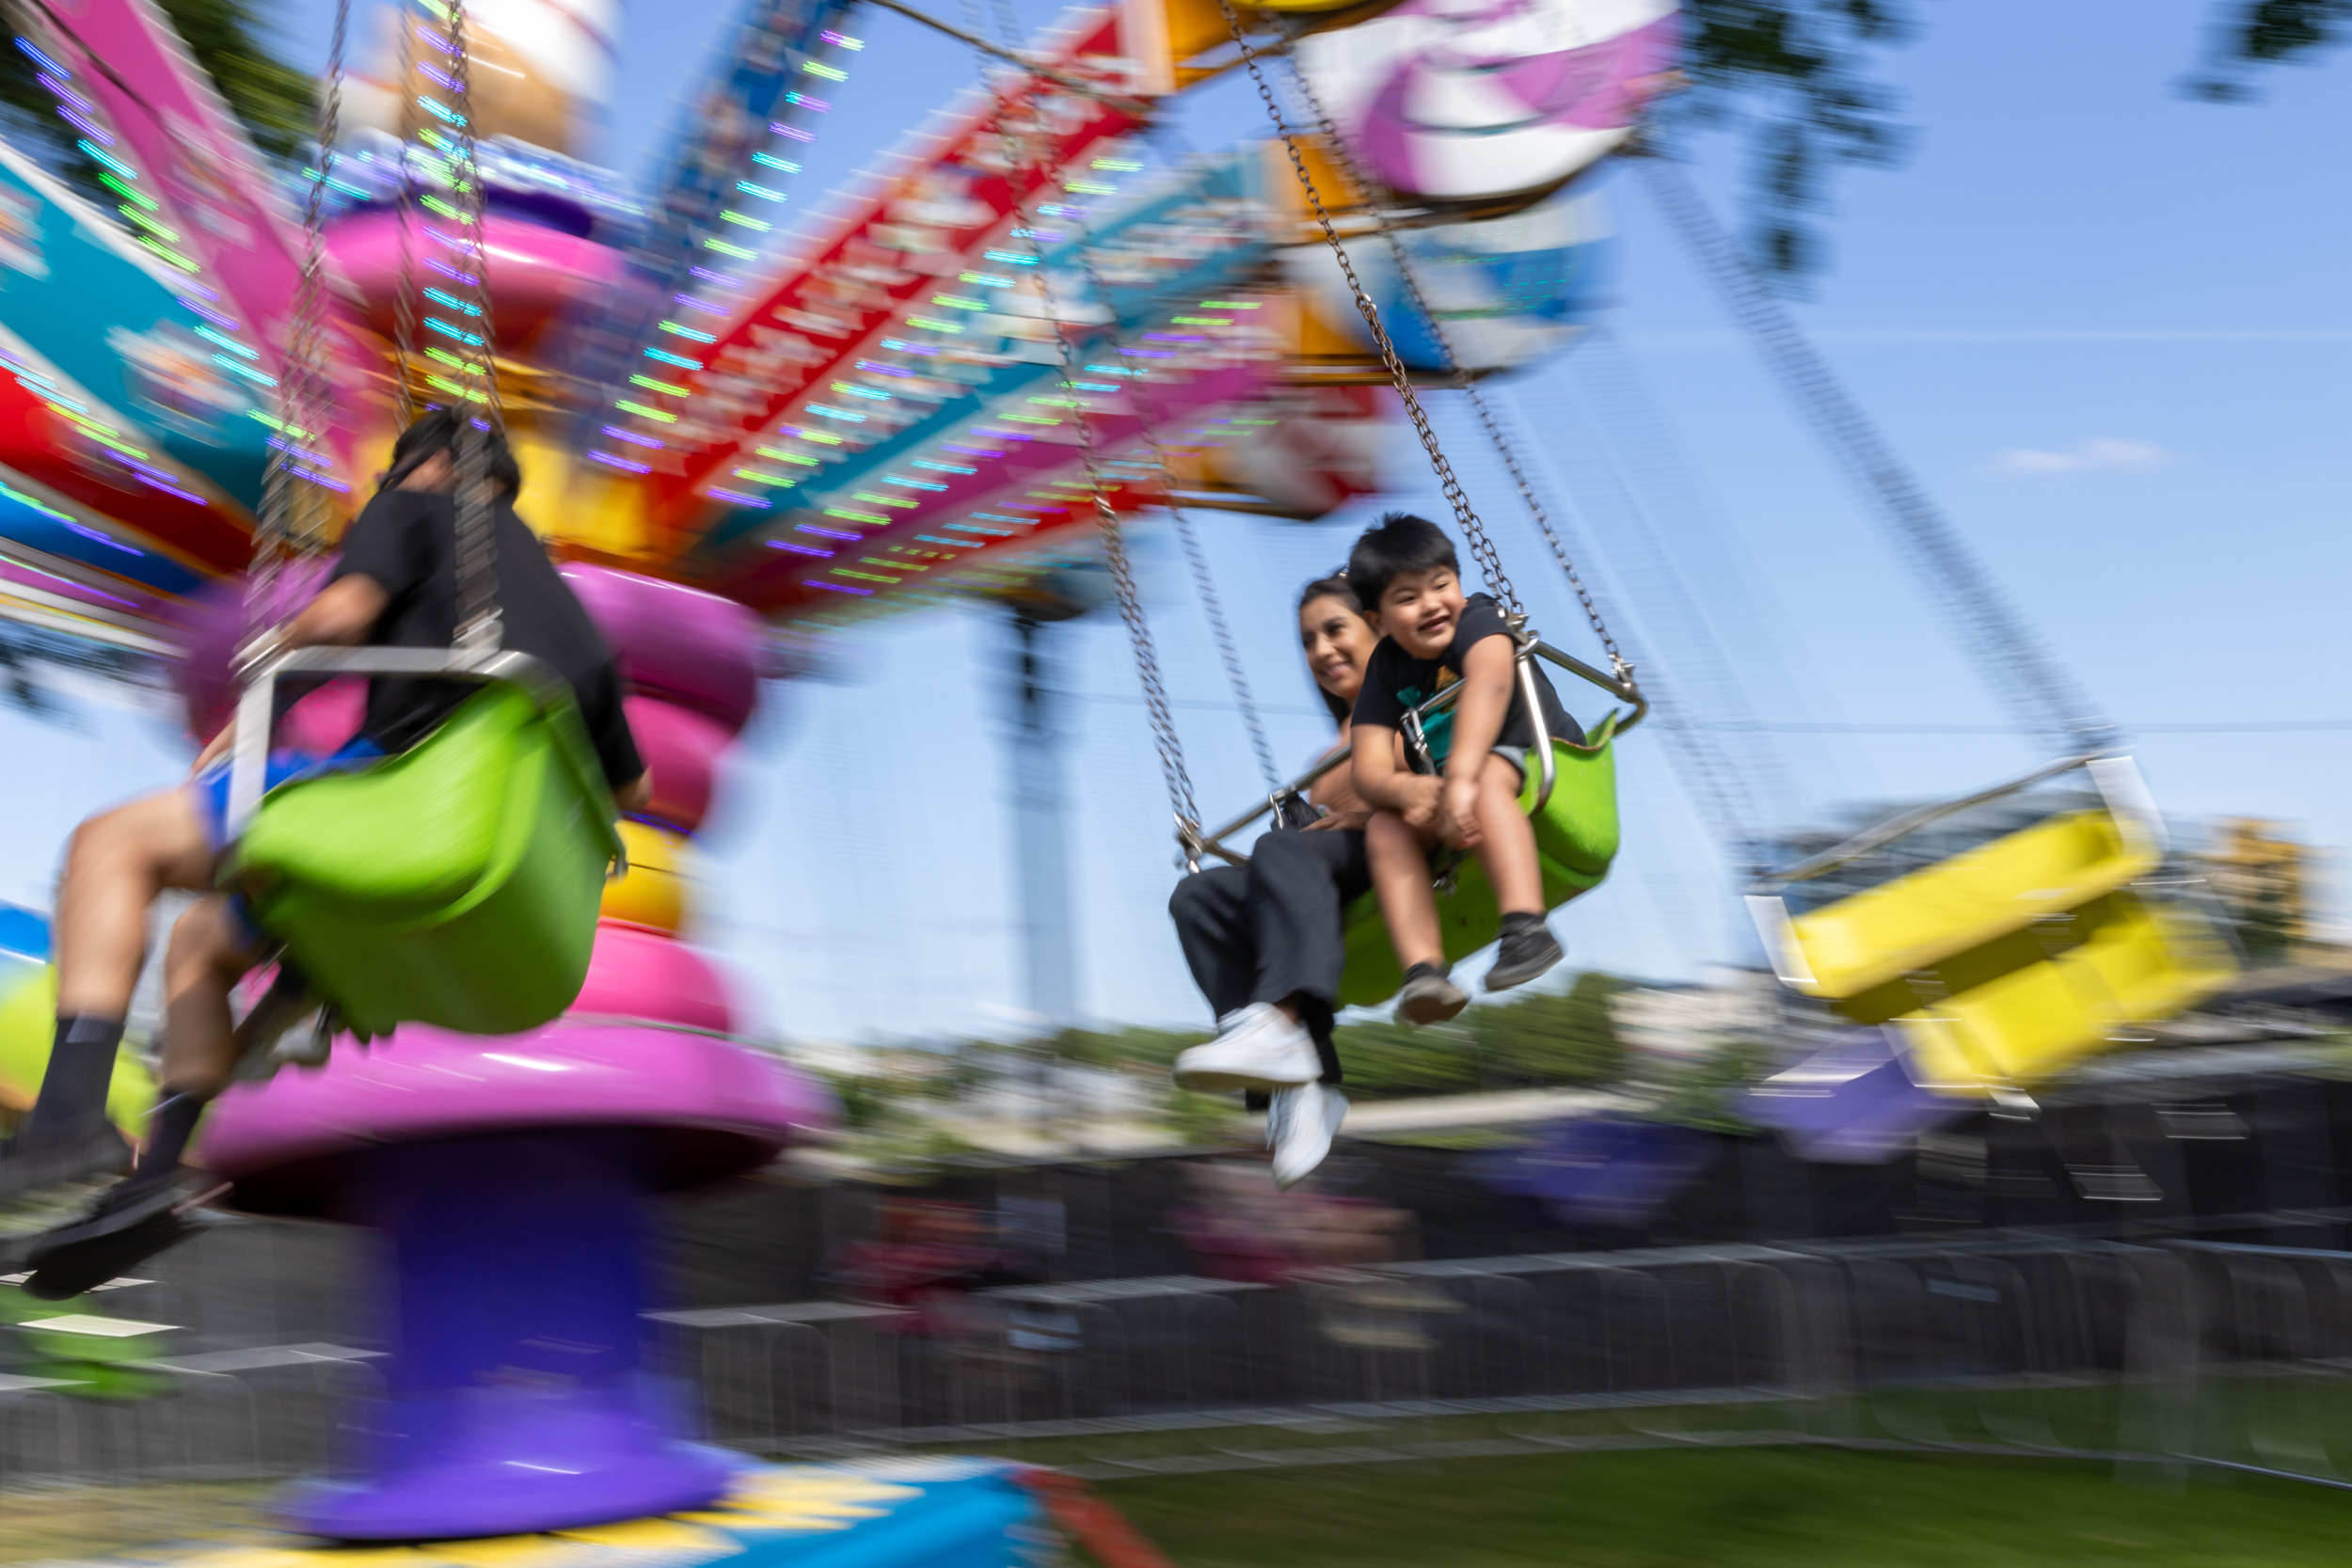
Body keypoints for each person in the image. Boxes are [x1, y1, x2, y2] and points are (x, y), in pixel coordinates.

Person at [0, 407, 649, 1290]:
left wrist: (266, 678)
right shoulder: (579, 621)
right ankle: (159, 1175)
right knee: (199, 944)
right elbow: (630, 792)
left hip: (390, 814)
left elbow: (344, 615)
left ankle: (68, 1117)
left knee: (109, 842)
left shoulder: (415, 505)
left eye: (390, 474)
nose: (385, 487)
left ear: (425, 468)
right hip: (489, 887)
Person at [1165, 575, 1383, 1188]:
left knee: (1278, 846)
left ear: (1377, 626)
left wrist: (1365, 814)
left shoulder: (1414, 705)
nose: (1321, 650)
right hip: (1336, 873)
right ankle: (1303, 1087)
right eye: (1309, 640)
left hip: (1401, 855)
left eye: (1335, 630)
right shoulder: (1328, 755)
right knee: (1198, 896)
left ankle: (1280, 1029)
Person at [1345, 513, 1579, 1026]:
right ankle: (1424, 971)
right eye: (1407, 597)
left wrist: (1459, 782)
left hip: (1531, 752)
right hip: (1455, 783)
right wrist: (1404, 790)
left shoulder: (1478, 616)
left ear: (1458, 581)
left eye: (1440, 584)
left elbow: (1491, 682)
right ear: (1378, 621)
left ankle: (1527, 929)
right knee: (1385, 826)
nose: (1431, 603)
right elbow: (1368, 767)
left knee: (1486, 781)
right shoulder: (1385, 666)